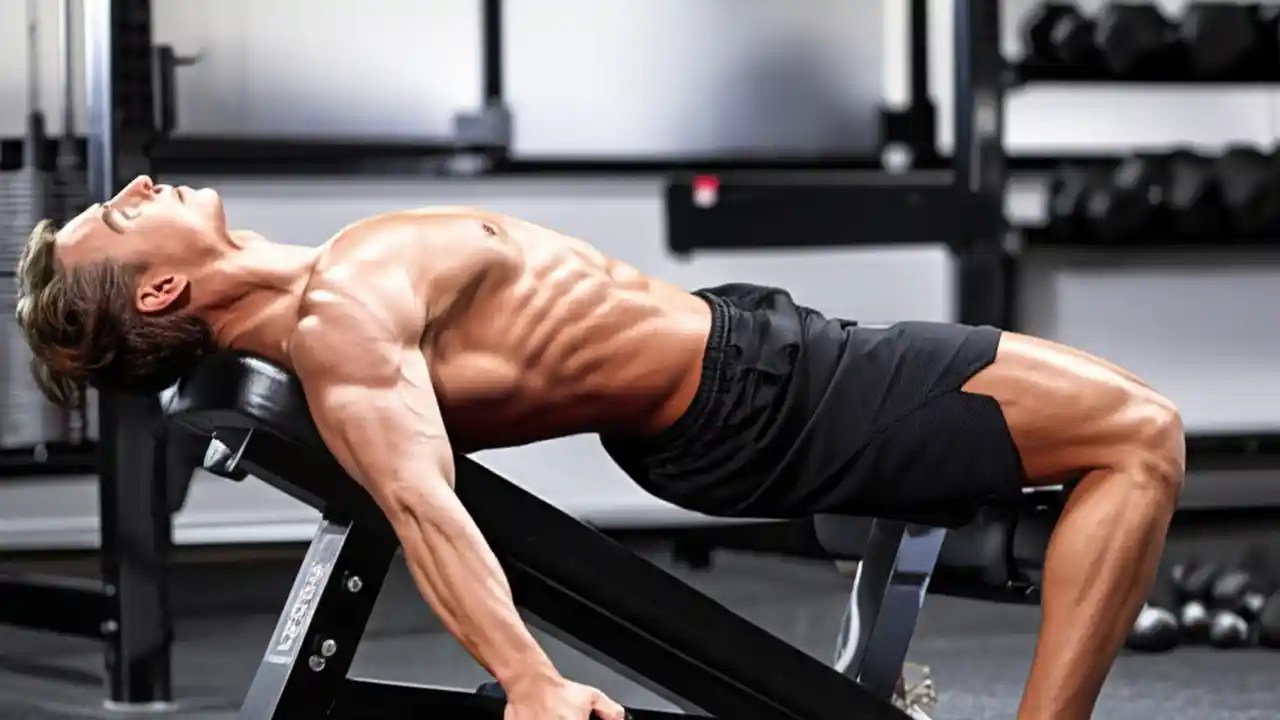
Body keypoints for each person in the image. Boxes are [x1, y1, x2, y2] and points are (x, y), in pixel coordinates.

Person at [15, 175, 1184, 720]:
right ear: (163, 281)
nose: (132, 185)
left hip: (753, 359)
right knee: (1140, 437)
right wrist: (528, 680)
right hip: (765, 397)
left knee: (1108, 423)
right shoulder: (337, 328)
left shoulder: (333, 290)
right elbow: (422, 505)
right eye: (117, 217)